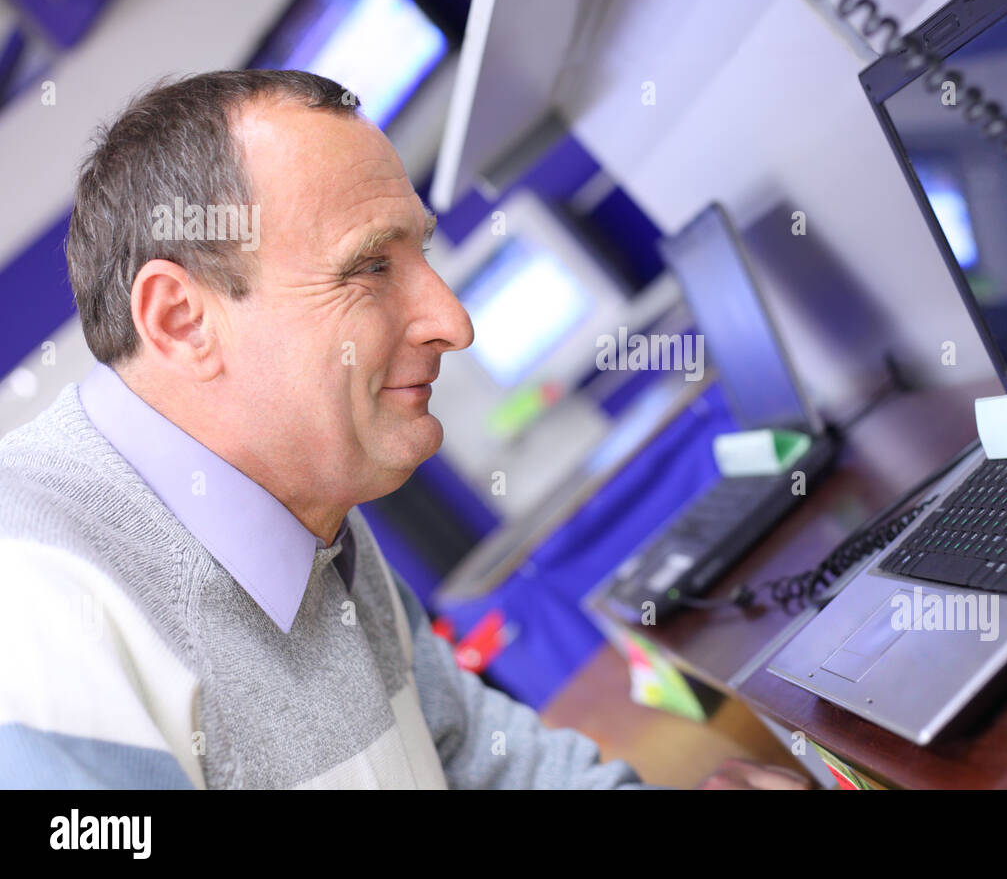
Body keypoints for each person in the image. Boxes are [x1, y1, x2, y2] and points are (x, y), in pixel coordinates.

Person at [0, 70, 810, 790]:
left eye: (421, 253)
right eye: (370, 267)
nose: (453, 323)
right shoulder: (33, 613)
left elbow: (480, 761)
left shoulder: (309, 514)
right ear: (181, 320)